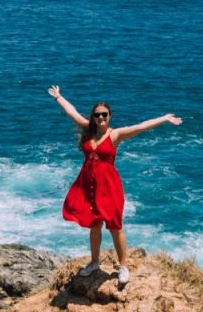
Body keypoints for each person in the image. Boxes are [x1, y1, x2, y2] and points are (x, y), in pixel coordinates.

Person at [48, 85, 182, 285]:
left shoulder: (115, 135)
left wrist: (164, 118)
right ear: (93, 117)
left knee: (115, 227)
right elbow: (72, 112)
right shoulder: (87, 129)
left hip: (109, 186)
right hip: (88, 184)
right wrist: (58, 97)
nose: (100, 118)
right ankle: (94, 262)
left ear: (109, 116)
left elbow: (141, 126)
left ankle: (124, 266)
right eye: (97, 115)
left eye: (104, 114)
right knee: (94, 225)